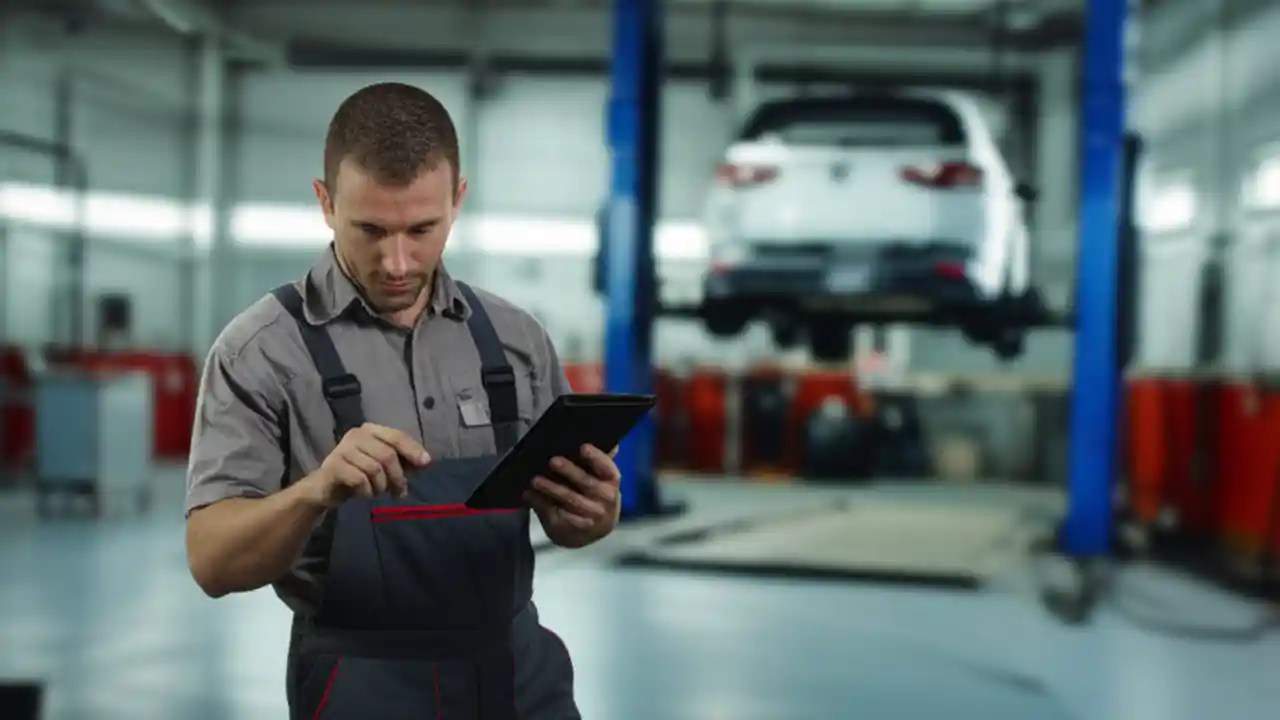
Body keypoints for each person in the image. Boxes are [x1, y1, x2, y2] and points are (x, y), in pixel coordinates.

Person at [184, 81, 622, 719]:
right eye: (371, 229)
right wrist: (316, 491)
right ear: (325, 203)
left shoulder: (515, 342)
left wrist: (593, 515)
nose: (396, 261)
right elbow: (212, 561)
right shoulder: (260, 353)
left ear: (458, 201)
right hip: (364, 685)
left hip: (518, 678)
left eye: (422, 228)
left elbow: (569, 520)